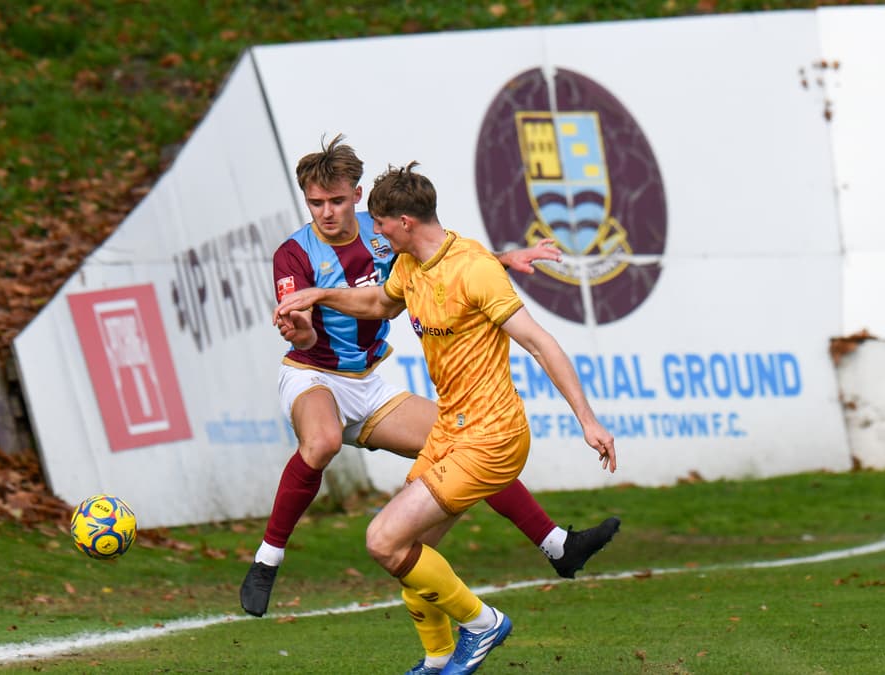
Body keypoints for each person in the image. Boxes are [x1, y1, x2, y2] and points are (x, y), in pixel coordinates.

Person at [240, 134, 620, 625]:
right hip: (313, 373)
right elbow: (308, 338)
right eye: (316, 203)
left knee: (465, 447)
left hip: (371, 382)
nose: (327, 212)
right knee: (323, 441)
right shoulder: (293, 253)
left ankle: (556, 546)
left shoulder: (385, 236)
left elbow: (443, 261)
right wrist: (304, 322)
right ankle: (268, 559)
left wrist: (503, 259)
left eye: (337, 201)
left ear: (357, 195)